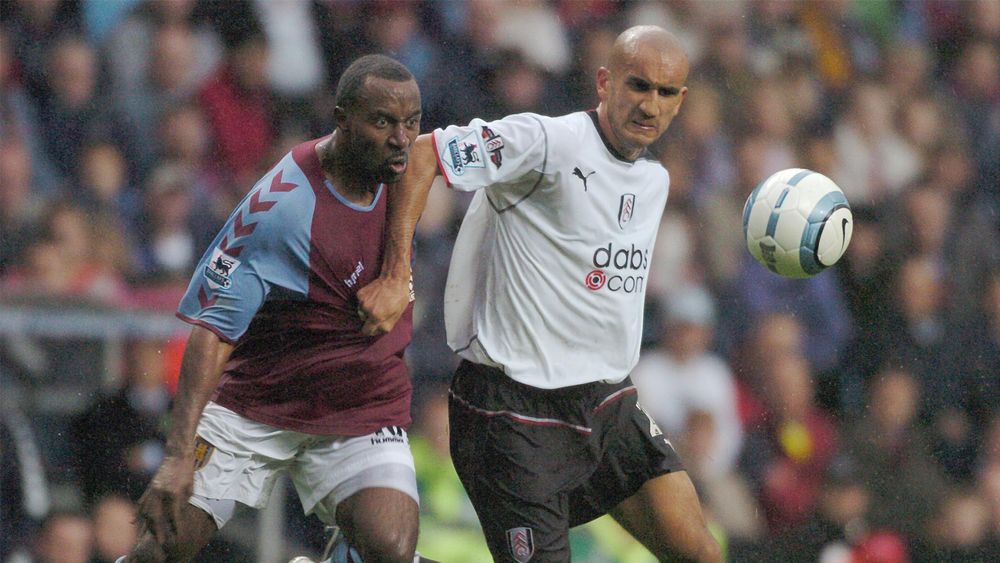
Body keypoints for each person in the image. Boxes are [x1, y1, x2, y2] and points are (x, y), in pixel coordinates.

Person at [359, 26, 721, 562]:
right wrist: (395, 277)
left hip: (606, 402)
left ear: (681, 101)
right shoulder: (545, 141)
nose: (650, 105)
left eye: (666, 93)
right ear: (604, 81)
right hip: (510, 414)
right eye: (638, 85)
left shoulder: (655, 180)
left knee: (703, 555)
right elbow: (420, 156)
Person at [119, 54, 424, 562]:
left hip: (361, 405)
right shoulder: (282, 211)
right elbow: (213, 331)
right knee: (161, 551)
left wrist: (396, 275)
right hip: (259, 405)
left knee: (390, 549)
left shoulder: (409, 162)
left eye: (411, 122)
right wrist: (176, 457)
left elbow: (438, 157)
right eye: (382, 121)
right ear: (342, 118)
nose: (401, 138)